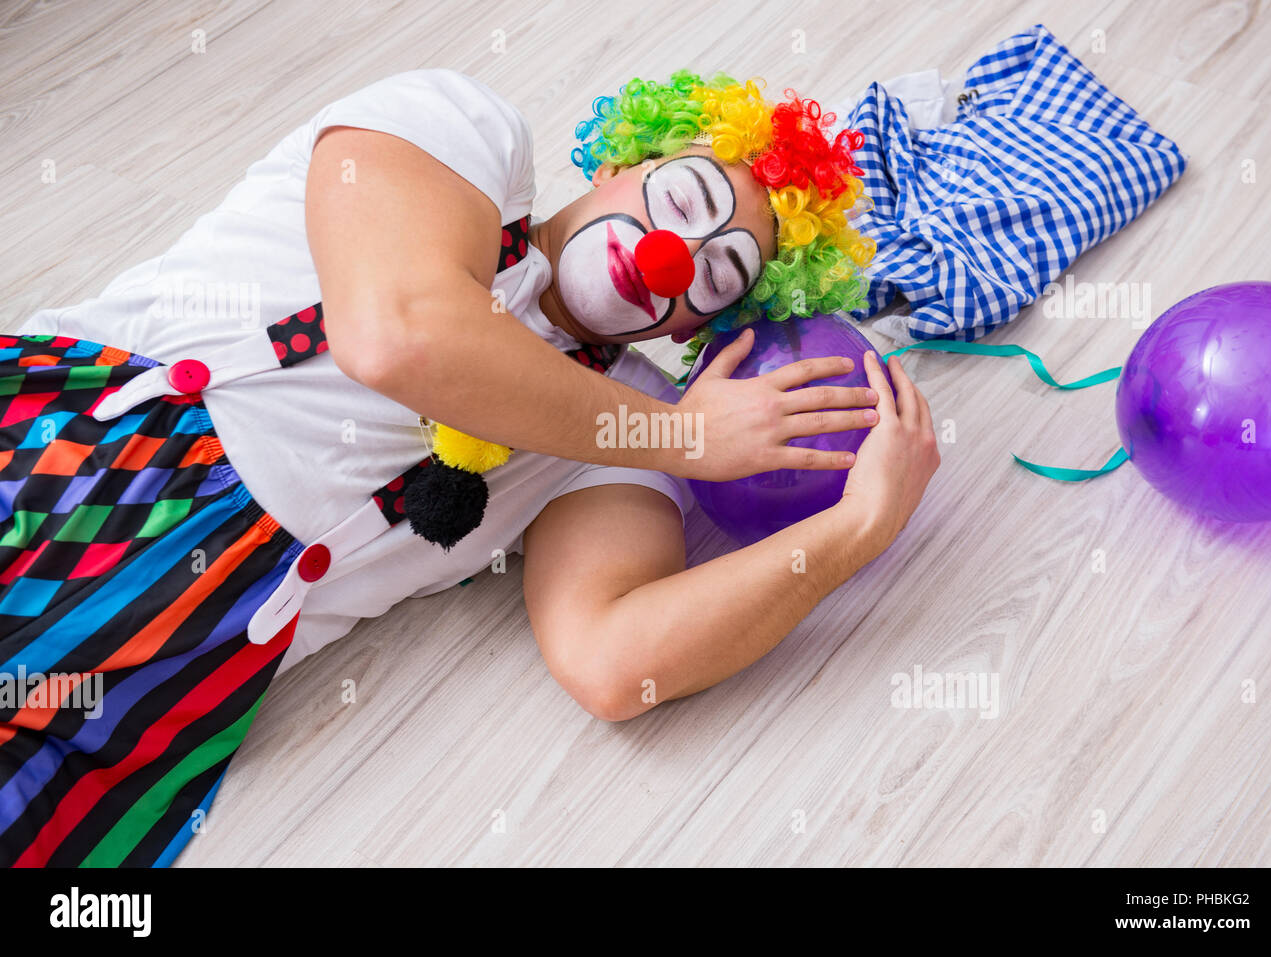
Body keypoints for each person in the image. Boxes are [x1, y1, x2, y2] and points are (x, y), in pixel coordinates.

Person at [0, 68, 938, 866]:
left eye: (717, 273)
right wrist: (689, 439)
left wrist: (854, 531)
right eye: (682, 201)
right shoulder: (456, 128)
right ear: (622, 161)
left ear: (701, 329)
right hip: (54, 451)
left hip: (142, 657)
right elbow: (398, 336)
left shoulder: (630, 415)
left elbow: (614, 663)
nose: (667, 258)